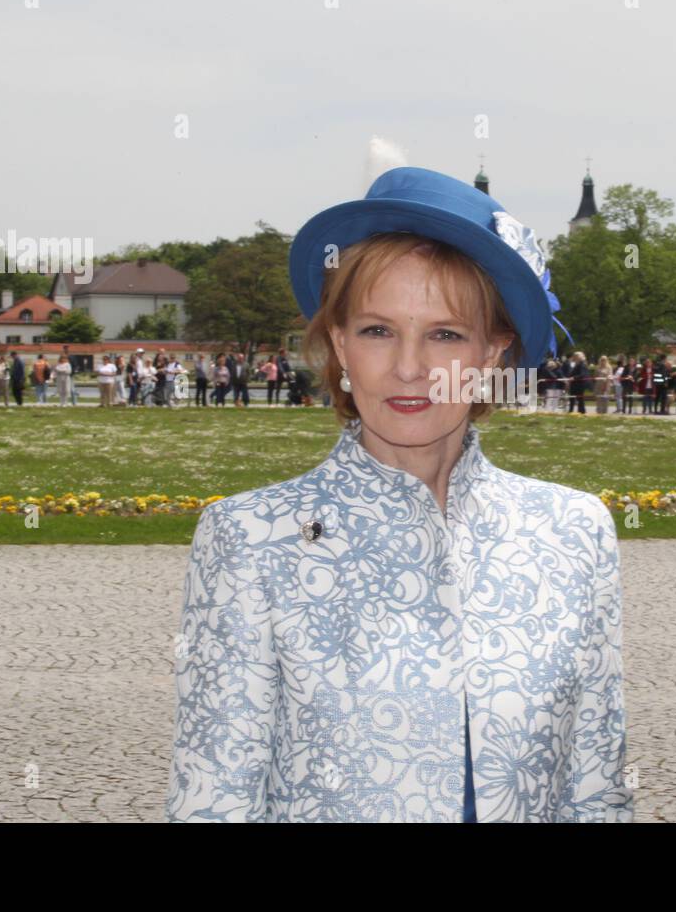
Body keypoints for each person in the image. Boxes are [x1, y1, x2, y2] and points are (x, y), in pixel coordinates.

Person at [167, 166, 631, 823]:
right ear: (338, 344)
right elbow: (213, 800)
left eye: (445, 334)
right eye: (378, 330)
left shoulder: (573, 532)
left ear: (494, 352)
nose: (410, 367)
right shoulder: (249, 540)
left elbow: (596, 790)